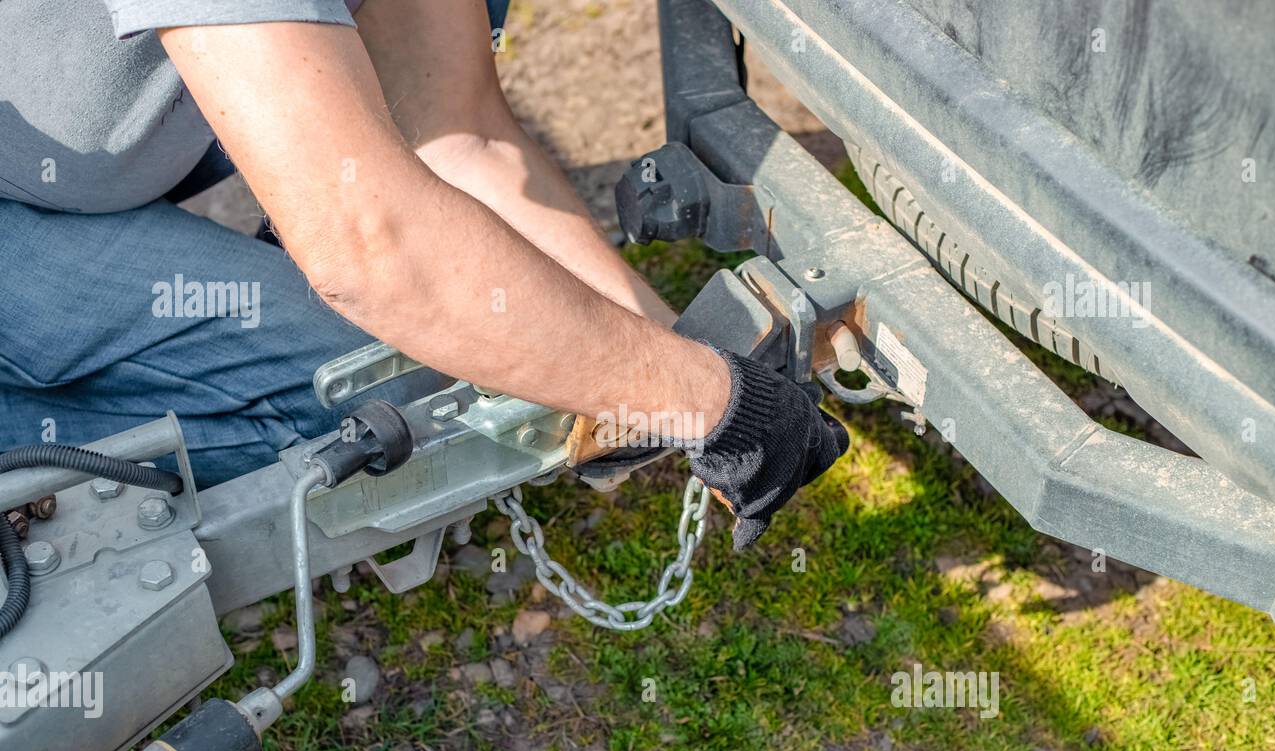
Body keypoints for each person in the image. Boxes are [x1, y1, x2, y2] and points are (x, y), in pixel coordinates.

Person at [0, 0, 847, 549]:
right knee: (363, 394)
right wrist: (710, 404)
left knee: (405, 367)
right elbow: (370, 245)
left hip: (58, 194)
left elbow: (453, 133)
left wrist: (666, 359)